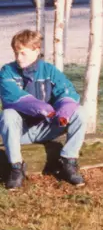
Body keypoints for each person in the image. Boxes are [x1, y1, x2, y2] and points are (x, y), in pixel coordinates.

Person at [0, 30, 86, 189]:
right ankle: (16, 167)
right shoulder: (7, 71)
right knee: (8, 114)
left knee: (79, 112)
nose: (18, 58)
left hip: (48, 126)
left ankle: (68, 162)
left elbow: (67, 93)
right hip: (21, 132)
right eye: (16, 53)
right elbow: (13, 97)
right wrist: (45, 109)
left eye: (23, 53)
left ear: (36, 50)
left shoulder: (50, 70)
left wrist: (63, 113)